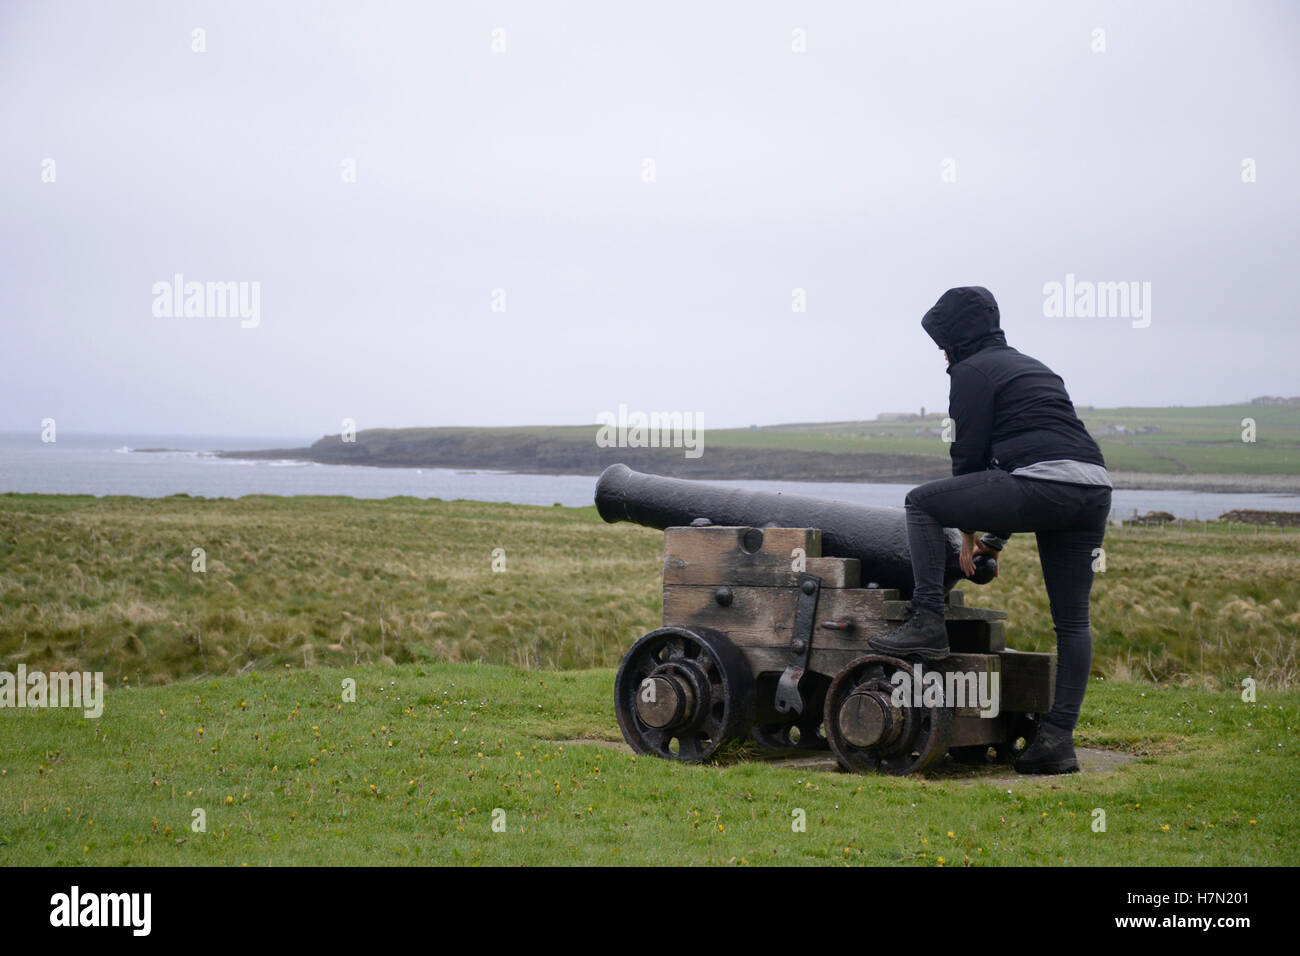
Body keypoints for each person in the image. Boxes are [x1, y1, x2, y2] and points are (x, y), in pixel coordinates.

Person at [868, 286, 1112, 775]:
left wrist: (967, 532)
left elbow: (972, 458)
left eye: (942, 340)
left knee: (920, 503)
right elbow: (1029, 459)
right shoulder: (1034, 366)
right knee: (1072, 622)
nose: (940, 350)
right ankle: (1057, 743)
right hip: (1092, 489)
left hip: (1041, 485)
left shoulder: (970, 371)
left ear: (957, 336)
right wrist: (994, 542)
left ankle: (928, 620)